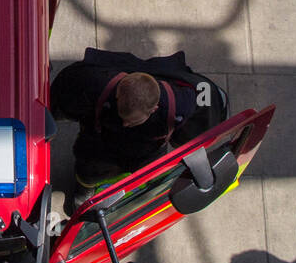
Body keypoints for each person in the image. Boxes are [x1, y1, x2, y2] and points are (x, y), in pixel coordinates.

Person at [51, 57, 199, 194]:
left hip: (141, 154)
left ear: (154, 108)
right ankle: (84, 189)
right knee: (89, 170)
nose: (125, 124)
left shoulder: (182, 104)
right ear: (118, 94)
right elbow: (63, 92)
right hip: (100, 150)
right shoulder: (92, 80)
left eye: (132, 121)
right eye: (123, 117)